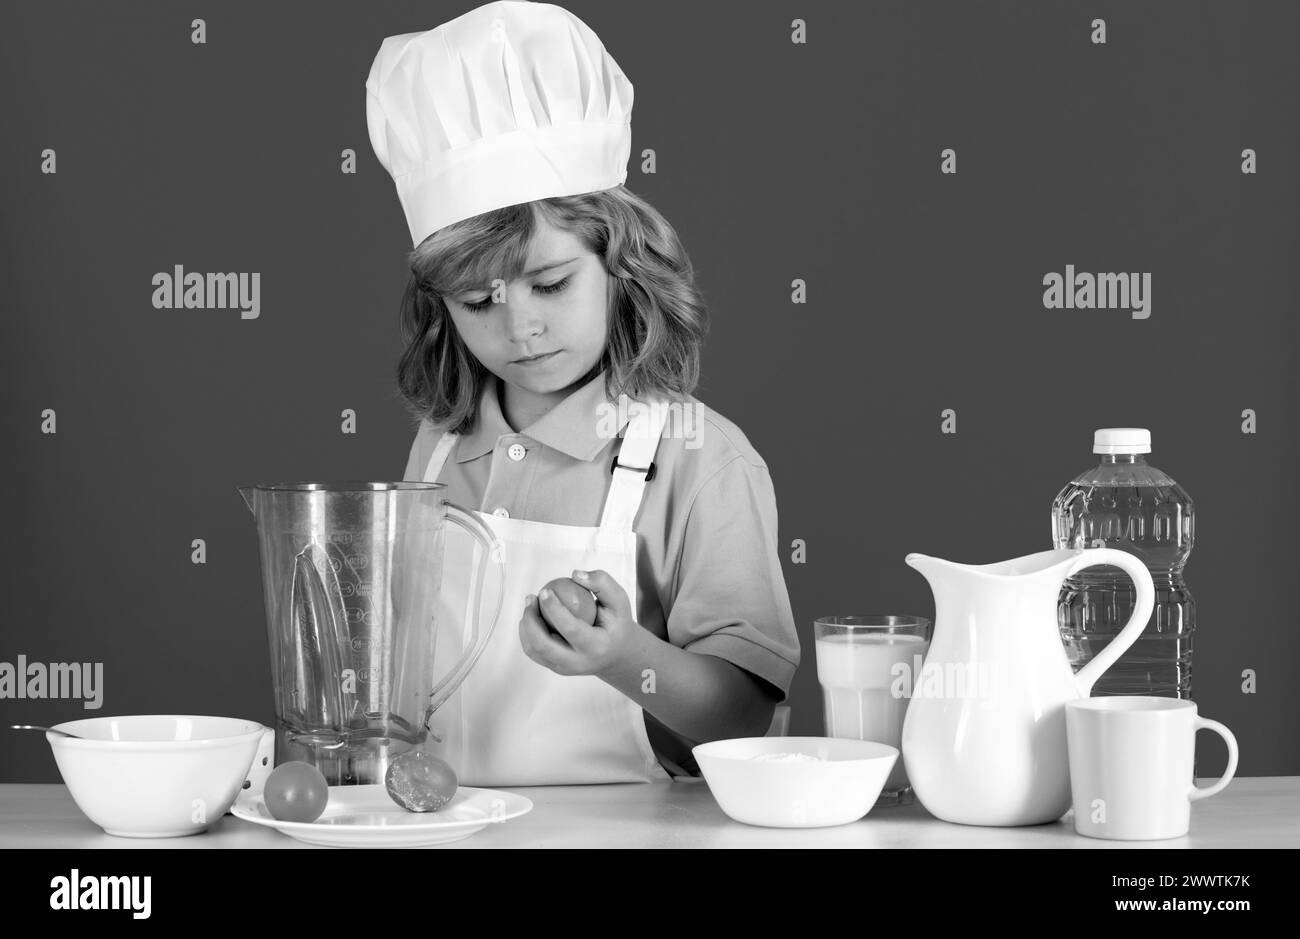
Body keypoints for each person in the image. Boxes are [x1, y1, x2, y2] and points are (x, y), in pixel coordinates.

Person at [367, 1, 799, 786]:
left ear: (621, 262)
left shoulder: (702, 462)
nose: (520, 327)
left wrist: (626, 656)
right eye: (479, 301)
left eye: (550, 283)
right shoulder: (437, 446)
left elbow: (744, 716)